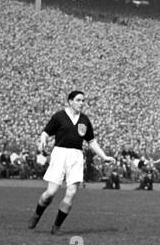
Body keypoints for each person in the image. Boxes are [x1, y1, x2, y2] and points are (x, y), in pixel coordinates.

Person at [29, 90, 114, 234]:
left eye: (83, 101)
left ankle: (56, 227)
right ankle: (37, 214)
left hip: (76, 156)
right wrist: (43, 140)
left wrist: (104, 156)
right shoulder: (59, 116)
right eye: (78, 100)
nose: (81, 103)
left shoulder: (85, 120)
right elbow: (46, 132)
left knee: (71, 192)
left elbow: (91, 141)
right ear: (70, 101)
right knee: (51, 192)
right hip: (60, 154)